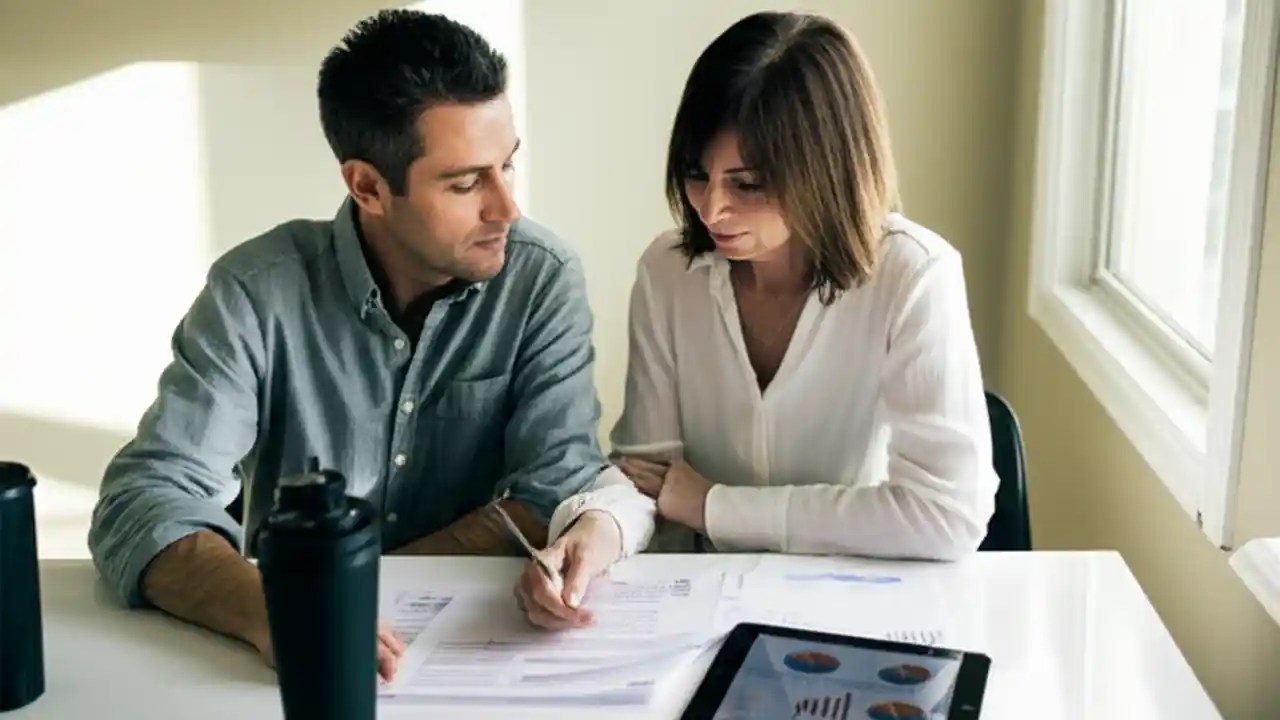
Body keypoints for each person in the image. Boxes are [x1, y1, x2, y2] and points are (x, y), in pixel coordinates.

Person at [88, 9, 654, 681]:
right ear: (368, 186)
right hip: (289, 672)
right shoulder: (256, 290)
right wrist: (282, 611)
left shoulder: (540, 277)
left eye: (507, 165)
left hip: (483, 652)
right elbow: (143, 501)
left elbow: (556, 485)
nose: (506, 207)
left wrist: (361, 587)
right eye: (466, 182)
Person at [608, 11, 998, 557]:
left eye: (747, 184)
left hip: (856, 588)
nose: (711, 209)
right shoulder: (667, 271)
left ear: (826, 169)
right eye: (697, 174)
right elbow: (647, 480)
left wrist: (713, 507)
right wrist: (598, 529)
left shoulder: (915, 274)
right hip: (702, 591)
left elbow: (948, 516)